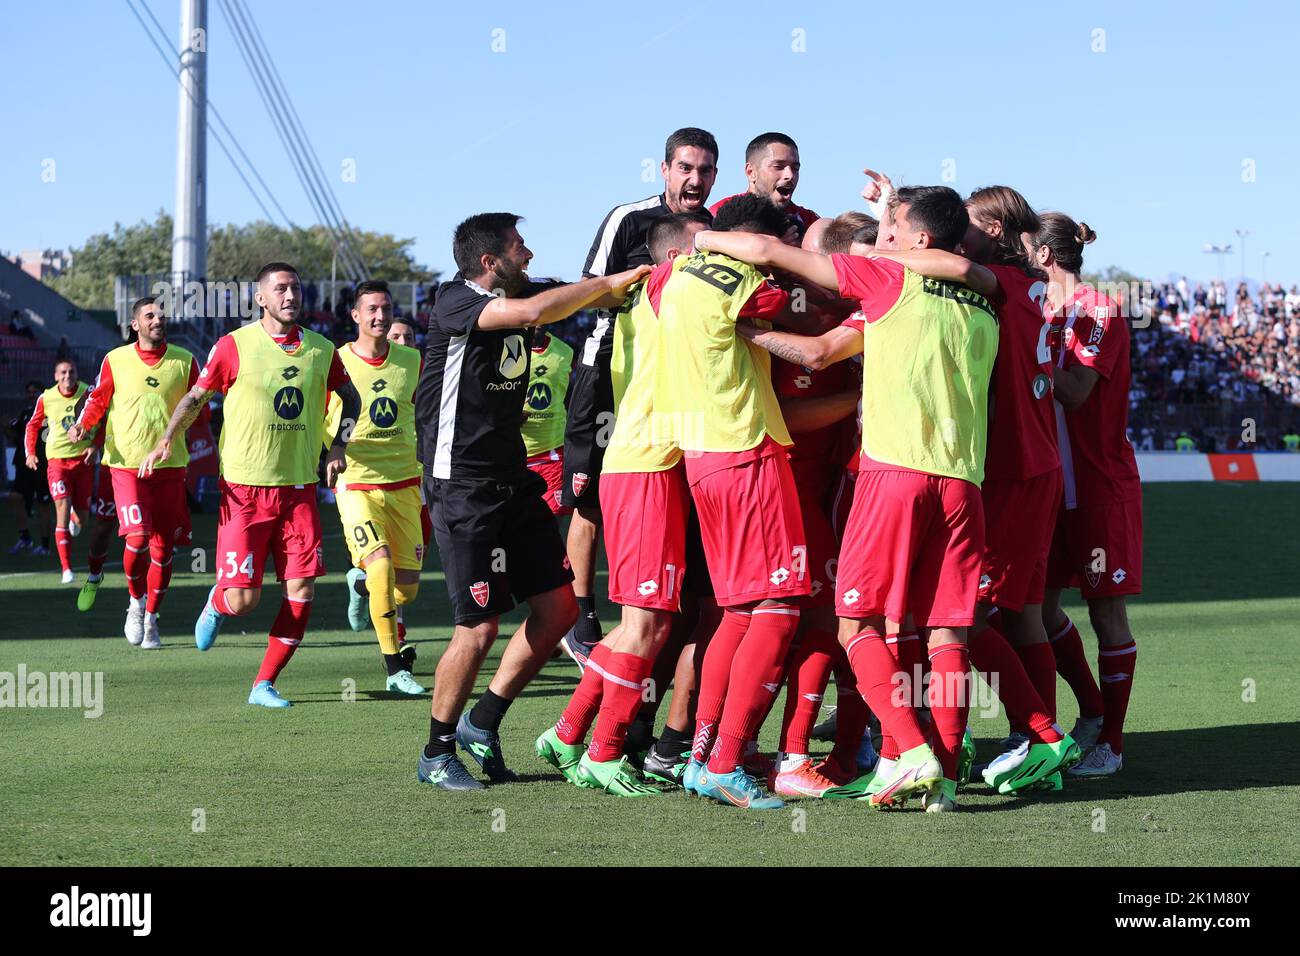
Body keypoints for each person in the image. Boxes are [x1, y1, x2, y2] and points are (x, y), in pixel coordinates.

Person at [697, 185, 1021, 812]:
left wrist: (700, 241)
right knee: (947, 634)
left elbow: (769, 249)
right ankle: (945, 781)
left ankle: (908, 748)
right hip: (963, 482)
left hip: (894, 474)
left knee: (856, 624)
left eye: (892, 228)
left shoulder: (885, 280)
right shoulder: (985, 300)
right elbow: (830, 345)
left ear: (918, 239)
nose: (883, 239)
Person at [412, 212, 650, 791]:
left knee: (560, 610)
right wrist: (598, 288)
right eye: (521, 248)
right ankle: (435, 751)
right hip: (460, 485)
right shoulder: (455, 301)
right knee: (480, 628)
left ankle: (482, 721)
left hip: (510, 479)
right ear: (490, 262)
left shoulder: (523, 291)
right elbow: (534, 312)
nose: (532, 255)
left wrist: (646, 275)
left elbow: (566, 298)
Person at [536, 210, 711, 796]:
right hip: (645, 469)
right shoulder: (670, 292)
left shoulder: (655, 296)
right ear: (673, 260)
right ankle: (603, 752)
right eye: (703, 251)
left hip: (649, 465)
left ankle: (566, 736)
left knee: (649, 622)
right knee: (647, 625)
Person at [140, 261, 361, 708]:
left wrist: (339, 444)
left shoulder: (321, 349)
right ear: (260, 298)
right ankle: (218, 603)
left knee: (302, 592)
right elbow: (195, 397)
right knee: (243, 601)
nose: (290, 296)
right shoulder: (233, 345)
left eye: (296, 288)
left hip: (298, 491)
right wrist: (168, 438)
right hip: (243, 492)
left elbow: (352, 397)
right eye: (280, 289)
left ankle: (263, 683)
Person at [653, 195, 813, 810]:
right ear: (754, 241)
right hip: (748, 452)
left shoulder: (669, 277)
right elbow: (782, 304)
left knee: (737, 613)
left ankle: (701, 758)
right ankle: (726, 760)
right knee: (779, 609)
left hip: (702, 462)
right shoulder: (746, 277)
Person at [558, 128, 719, 667]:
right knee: (589, 495)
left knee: (661, 485)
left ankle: (652, 609)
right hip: (606, 366)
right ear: (664, 169)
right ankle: (581, 620)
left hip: (671, 376)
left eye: (705, 171)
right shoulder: (627, 218)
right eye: (686, 169)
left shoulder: (712, 230)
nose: (695, 180)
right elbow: (588, 287)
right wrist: (647, 278)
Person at [1033, 213, 1143, 778]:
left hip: (1098, 485)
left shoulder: (1099, 308)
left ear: (1046, 254)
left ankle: (1113, 744)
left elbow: (1074, 392)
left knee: (1107, 613)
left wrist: (1023, 362)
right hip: (1048, 484)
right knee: (1042, 609)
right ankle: (1093, 713)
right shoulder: (1036, 307)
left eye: (1028, 246)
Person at [70, 296, 204, 646]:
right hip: (126, 465)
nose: (158, 320)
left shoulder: (185, 361)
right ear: (135, 325)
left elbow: (197, 408)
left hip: (170, 467)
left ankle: (151, 618)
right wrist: (85, 427)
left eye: (161, 315)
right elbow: (98, 398)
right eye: (150, 316)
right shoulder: (116, 359)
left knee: (163, 550)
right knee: (137, 537)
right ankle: (132, 601)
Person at [326, 280, 426, 696]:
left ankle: (360, 583)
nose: (380, 316)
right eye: (371, 309)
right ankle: (394, 667)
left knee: (408, 589)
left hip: (406, 482)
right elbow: (316, 414)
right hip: (357, 482)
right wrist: (330, 450)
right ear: (355, 315)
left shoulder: (412, 361)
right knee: (381, 565)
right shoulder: (335, 362)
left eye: (386, 308)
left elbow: (428, 412)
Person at [24, 359, 97, 584]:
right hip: (57, 462)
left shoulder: (88, 393)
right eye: (63, 372)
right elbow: (32, 425)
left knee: (83, 517)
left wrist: (95, 446)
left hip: (83, 462)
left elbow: (104, 421)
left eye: (71, 371)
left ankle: (77, 518)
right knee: (62, 509)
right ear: (56, 376)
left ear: (77, 373)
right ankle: (67, 569)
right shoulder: (46, 397)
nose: (67, 376)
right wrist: (31, 452)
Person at [709, 132, 819, 244]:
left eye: (795, 168)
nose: (790, 175)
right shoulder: (718, 215)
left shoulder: (810, 223)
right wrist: (774, 248)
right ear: (751, 172)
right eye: (778, 167)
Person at [520, 328, 574, 516]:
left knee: (552, 524)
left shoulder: (565, 352)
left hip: (552, 452)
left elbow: (567, 397)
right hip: (514, 454)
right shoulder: (507, 350)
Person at [8, 380, 52, 556]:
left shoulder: (51, 413)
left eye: (36, 392)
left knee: (43, 505)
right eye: (30, 392)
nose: (32, 395)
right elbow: (13, 433)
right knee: (14, 497)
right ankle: (25, 538)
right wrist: (5, 426)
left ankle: (45, 545)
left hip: (43, 465)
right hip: (23, 463)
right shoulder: (25, 413)